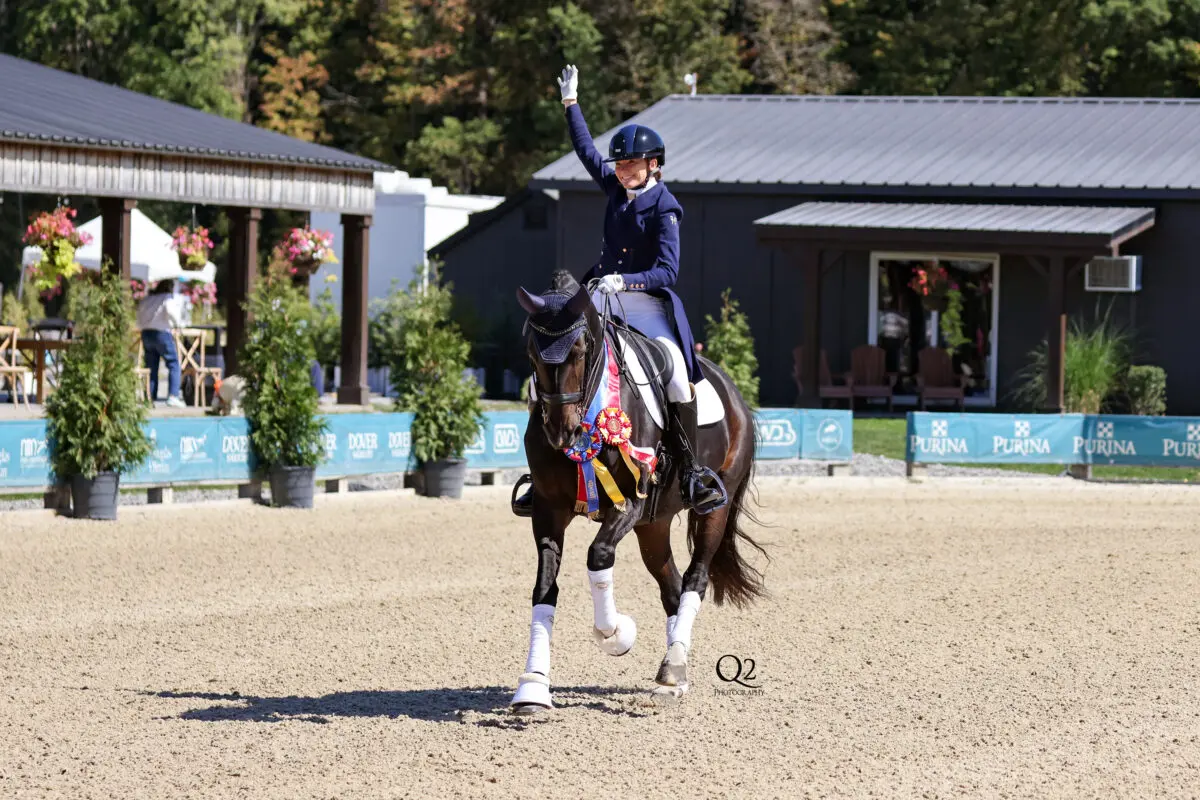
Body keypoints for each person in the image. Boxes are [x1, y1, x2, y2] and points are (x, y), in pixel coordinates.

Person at [513, 64, 726, 517]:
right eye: (621, 164)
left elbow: (668, 271)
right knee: (553, 363)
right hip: (602, 301)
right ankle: (543, 473)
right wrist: (571, 104)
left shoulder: (666, 208)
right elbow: (587, 151)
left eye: (632, 164)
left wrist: (626, 280)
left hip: (646, 306)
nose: (623, 170)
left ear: (653, 165)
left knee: (674, 377)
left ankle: (690, 472)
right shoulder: (614, 189)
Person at [137, 279, 187, 408]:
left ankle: (150, 396)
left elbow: (139, 315)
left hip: (146, 333)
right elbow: (172, 313)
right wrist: (177, 324)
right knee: (174, 364)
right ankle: (173, 396)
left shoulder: (148, 299)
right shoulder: (166, 298)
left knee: (151, 367)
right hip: (161, 333)